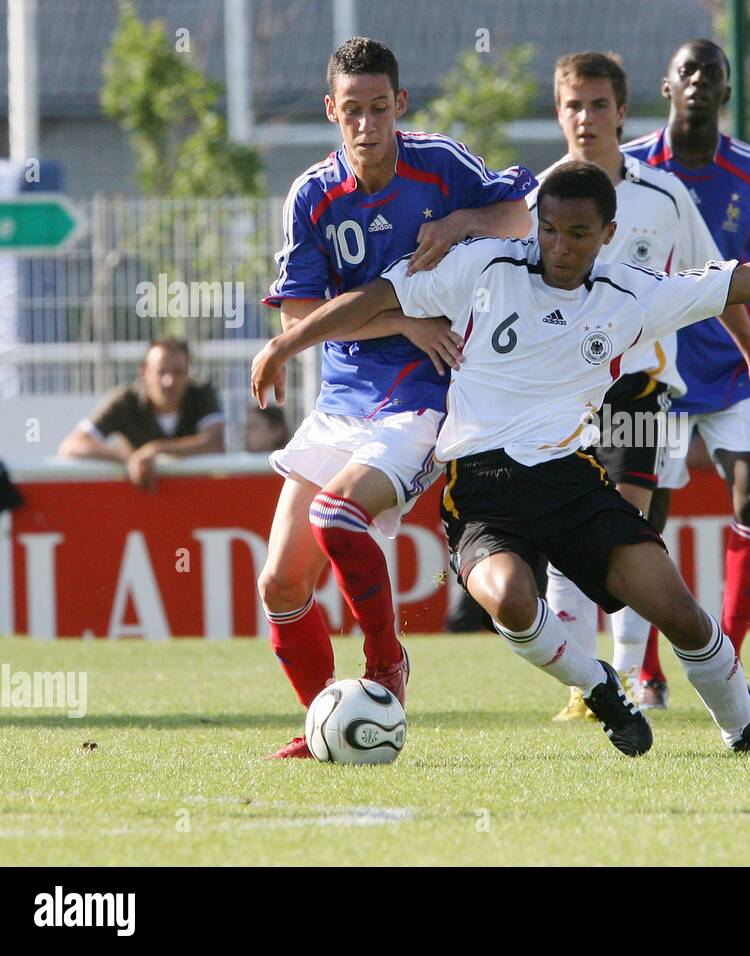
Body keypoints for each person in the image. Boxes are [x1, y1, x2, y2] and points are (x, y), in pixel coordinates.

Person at [251, 161, 750, 758]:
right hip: (481, 492)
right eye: (550, 230)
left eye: (579, 234)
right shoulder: (483, 265)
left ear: (607, 232)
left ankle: (743, 729)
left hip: (570, 484)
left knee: (676, 610)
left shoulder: (632, 294)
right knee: (507, 598)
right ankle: (598, 685)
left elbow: (746, 279)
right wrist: (287, 345)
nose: (561, 248)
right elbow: (374, 299)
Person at [256, 37, 534, 758]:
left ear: (399, 105)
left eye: (379, 108)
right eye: (352, 111)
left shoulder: (439, 164)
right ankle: (327, 724)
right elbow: (298, 319)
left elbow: (523, 218)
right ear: (331, 112)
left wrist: (464, 222)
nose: (367, 125)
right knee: (280, 583)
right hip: (344, 395)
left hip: (421, 394)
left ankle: (387, 667)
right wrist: (402, 319)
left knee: (337, 515)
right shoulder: (312, 196)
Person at [523, 50, 750, 721]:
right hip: (561, 390)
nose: (586, 118)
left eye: (599, 105)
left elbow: (716, 281)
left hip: (642, 387)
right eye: (573, 105)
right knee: (564, 533)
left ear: (621, 110)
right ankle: (584, 688)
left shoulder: (665, 196)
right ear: (558, 112)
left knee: (627, 528)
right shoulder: (531, 203)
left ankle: (634, 679)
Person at [622, 39, 750, 709]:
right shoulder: (631, 170)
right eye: (688, 71)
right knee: (645, 517)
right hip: (657, 371)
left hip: (739, 371)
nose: (700, 80)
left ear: (726, 93)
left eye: (713, 73)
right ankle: (643, 671)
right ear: (667, 87)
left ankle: (724, 661)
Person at [58, 337, 224, 490]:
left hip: (194, 502)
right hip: (136, 508)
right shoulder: (125, 401)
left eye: (178, 372)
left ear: (188, 373)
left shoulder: (202, 394)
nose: (169, 381)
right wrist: (130, 458)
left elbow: (215, 444)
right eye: (162, 372)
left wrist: (155, 450)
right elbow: (72, 445)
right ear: (145, 372)